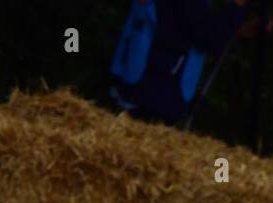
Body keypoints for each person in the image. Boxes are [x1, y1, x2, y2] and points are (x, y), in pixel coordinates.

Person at [110, 0, 259, 125]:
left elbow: (182, 25)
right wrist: (237, 5)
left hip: (142, 84)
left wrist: (237, 29)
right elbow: (208, 37)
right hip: (152, 94)